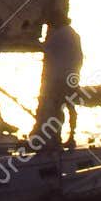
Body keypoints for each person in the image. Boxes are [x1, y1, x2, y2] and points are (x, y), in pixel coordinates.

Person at [34, 14, 84, 147]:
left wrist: (29, 38)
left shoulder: (60, 34)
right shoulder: (74, 34)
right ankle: (71, 137)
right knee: (70, 106)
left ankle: (57, 138)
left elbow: (44, 48)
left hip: (60, 77)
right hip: (72, 75)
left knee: (57, 107)